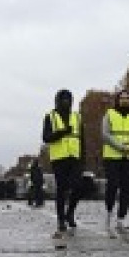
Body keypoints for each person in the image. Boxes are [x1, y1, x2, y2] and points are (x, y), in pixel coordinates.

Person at [42, 89, 83, 238]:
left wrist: (83, 159)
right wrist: (61, 132)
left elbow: (81, 139)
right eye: (63, 99)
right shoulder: (50, 117)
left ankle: (69, 212)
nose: (66, 102)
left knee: (78, 187)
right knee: (62, 189)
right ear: (58, 100)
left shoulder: (77, 117)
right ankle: (61, 219)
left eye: (69, 99)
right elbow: (46, 137)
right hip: (59, 158)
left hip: (75, 157)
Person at [102, 90, 129, 234]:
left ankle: (121, 218)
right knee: (112, 185)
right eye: (122, 98)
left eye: (127, 98)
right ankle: (108, 212)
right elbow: (105, 134)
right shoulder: (109, 114)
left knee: (126, 188)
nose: (125, 100)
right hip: (112, 156)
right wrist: (120, 147)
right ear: (117, 100)